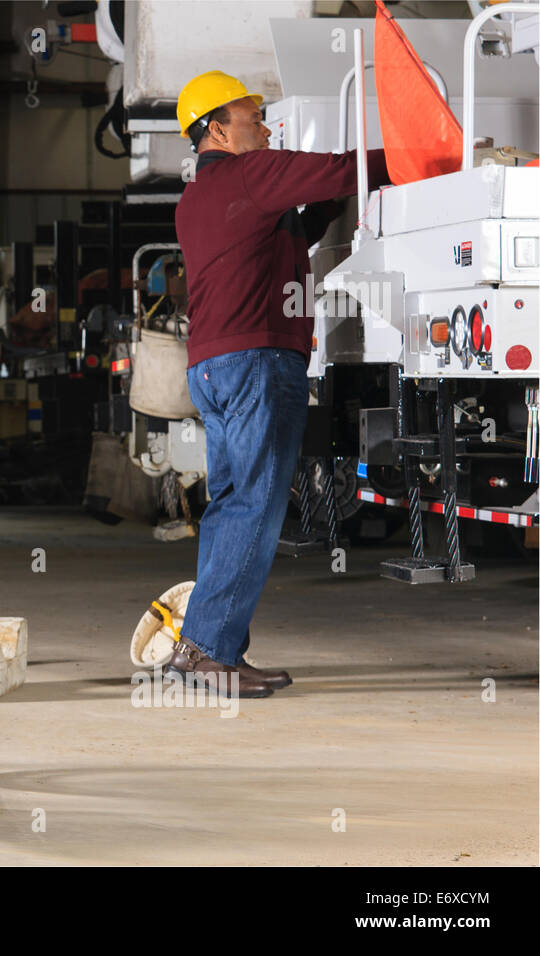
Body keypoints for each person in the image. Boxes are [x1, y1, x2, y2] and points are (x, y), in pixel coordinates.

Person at [168, 72, 390, 697]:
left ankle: (202, 647)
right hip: (258, 362)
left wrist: (329, 203)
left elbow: (293, 229)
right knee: (257, 506)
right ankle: (210, 651)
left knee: (230, 502)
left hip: (213, 367)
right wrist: (405, 152)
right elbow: (342, 171)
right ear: (217, 127)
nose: (266, 128)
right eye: (252, 116)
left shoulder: (199, 197)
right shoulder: (253, 173)